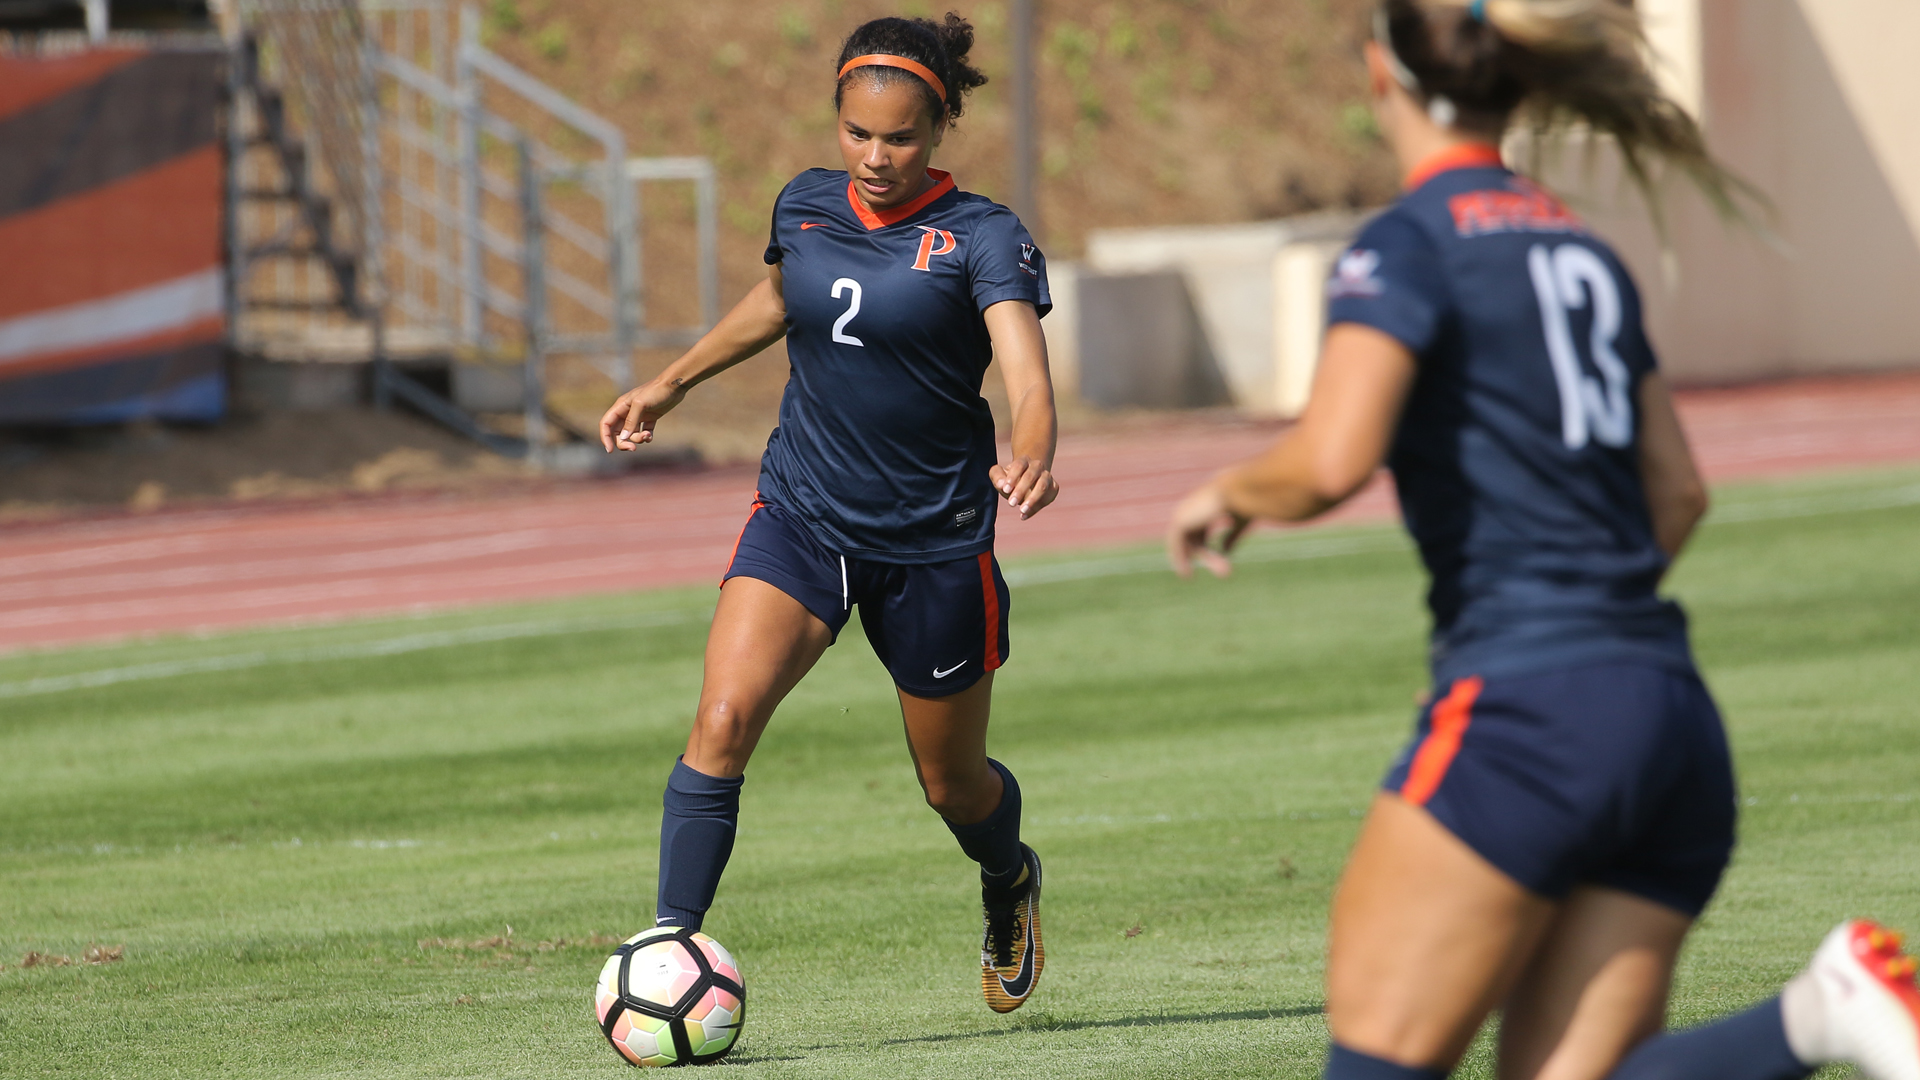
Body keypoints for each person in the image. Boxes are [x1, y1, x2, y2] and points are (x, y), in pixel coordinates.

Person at [1165, 3, 1920, 1080]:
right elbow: (1678, 491)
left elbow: (1331, 458)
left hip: (1529, 719)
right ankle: (1813, 1017)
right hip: (1666, 715)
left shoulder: (1407, 243)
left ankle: (1824, 1012)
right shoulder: (1579, 245)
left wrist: (1229, 490)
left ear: (1380, 73)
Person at [599, 12, 1055, 1014]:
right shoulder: (805, 203)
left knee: (953, 785)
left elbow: (1024, 367)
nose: (876, 157)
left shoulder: (982, 236)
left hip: (935, 542)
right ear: (836, 121)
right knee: (722, 720)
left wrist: (1033, 444)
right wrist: (670, 383)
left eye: (900, 138)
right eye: (858, 133)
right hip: (803, 513)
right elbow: (780, 302)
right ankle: (672, 947)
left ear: (939, 128)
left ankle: (1008, 874)